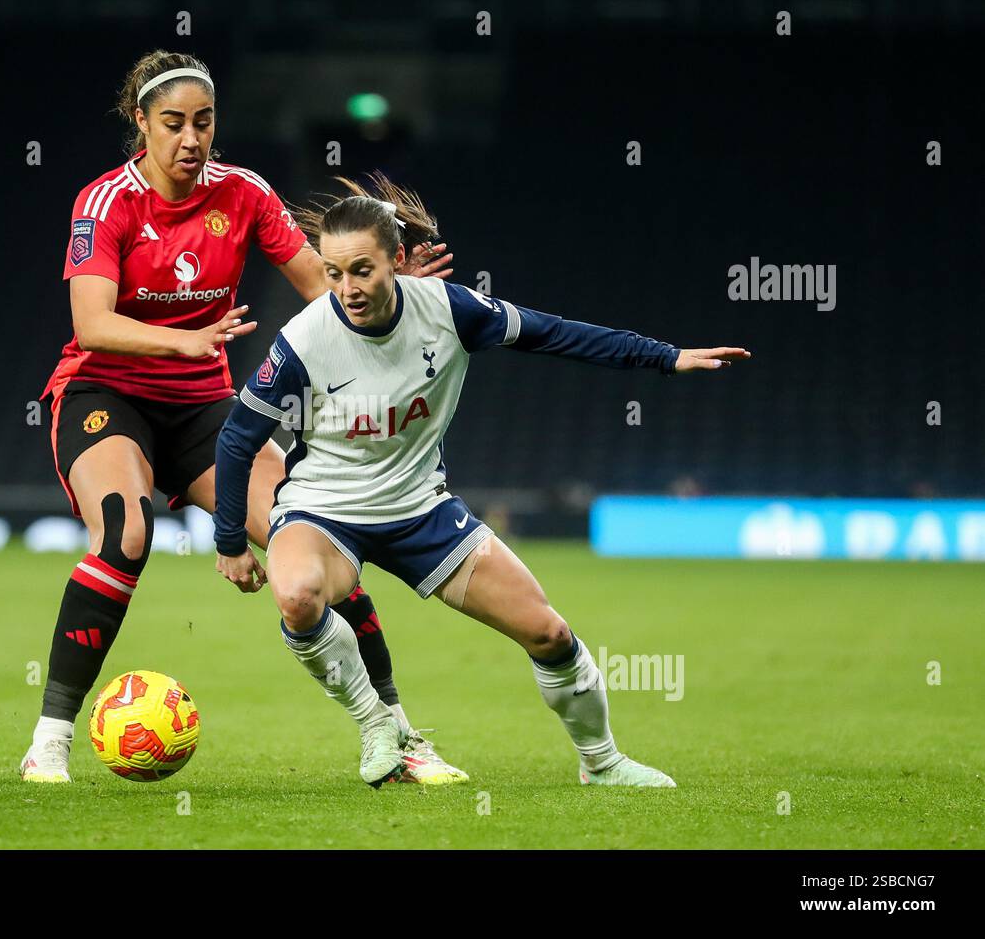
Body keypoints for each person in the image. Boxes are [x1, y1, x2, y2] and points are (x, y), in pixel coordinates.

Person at [212, 174, 751, 787]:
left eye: (362, 269)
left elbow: (556, 335)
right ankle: (377, 726)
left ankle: (602, 764)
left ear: (397, 261)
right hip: (324, 512)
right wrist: (231, 542)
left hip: (422, 511)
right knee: (298, 595)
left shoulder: (449, 311)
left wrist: (665, 356)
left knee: (548, 632)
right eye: (333, 273)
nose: (347, 289)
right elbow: (237, 438)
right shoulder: (306, 340)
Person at [21, 51, 466, 784]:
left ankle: (397, 736)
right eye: (173, 124)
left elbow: (324, 291)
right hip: (106, 394)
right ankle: (51, 739)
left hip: (203, 409)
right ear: (142, 123)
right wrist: (184, 339)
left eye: (203, 122)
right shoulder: (106, 203)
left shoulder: (245, 194)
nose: (191, 139)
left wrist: (387, 287)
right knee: (126, 531)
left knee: (318, 544)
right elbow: (92, 322)